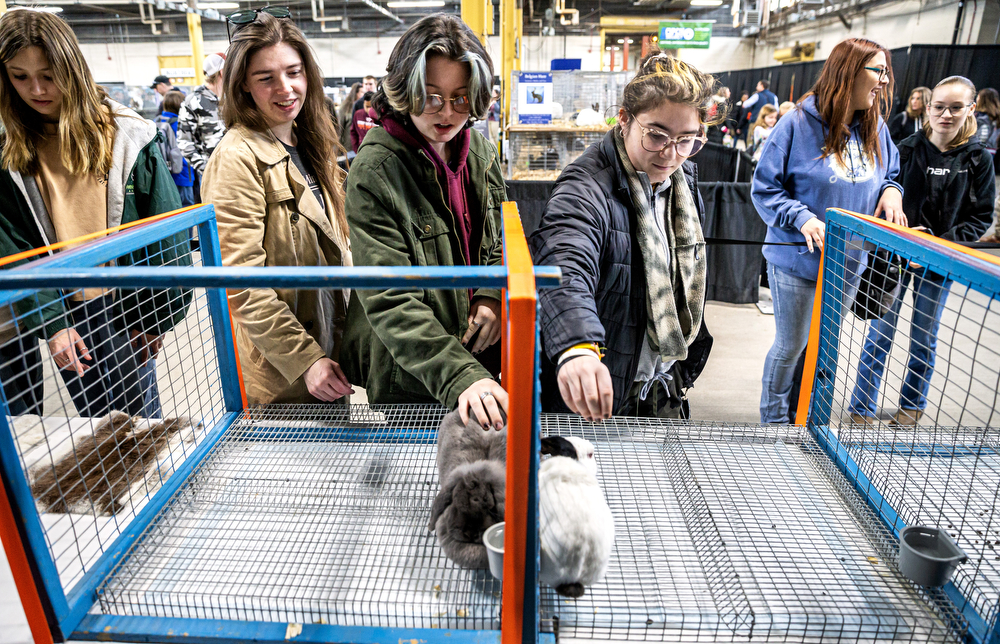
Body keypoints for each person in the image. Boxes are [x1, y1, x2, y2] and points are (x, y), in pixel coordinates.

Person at [0, 8, 191, 418]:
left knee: (140, 425)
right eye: (20, 76)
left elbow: (165, 235)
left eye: (49, 74)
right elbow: (13, 244)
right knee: (96, 434)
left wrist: (156, 316)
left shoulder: (127, 135)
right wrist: (51, 321)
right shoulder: (8, 151)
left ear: (72, 68)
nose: (36, 89)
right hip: (62, 303)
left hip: (125, 305)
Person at [529, 53, 720, 421]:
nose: (670, 153)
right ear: (625, 119)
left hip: (663, 388)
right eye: (656, 135)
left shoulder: (682, 182)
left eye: (687, 140)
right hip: (601, 399)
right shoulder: (585, 187)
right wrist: (577, 346)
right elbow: (564, 265)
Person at [341, 14, 508, 430]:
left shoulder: (479, 153)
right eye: (431, 96)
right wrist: (459, 375)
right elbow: (390, 297)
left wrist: (490, 294)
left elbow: (497, 239)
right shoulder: (376, 171)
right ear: (404, 90)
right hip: (414, 378)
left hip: (480, 360)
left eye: (461, 97)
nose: (447, 113)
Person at [201, 11, 353, 406]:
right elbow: (239, 282)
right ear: (243, 87)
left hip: (328, 349)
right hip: (285, 375)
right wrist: (306, 360)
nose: (285, 88)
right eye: (265, 78)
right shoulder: (236, 159)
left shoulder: (311, 143)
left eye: (294, 72)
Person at [752, 37, 905, 425]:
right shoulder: (796, 124)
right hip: (796, 262)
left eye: (887, 71)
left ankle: (806, 415)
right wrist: (801, 217)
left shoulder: (875, 126)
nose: (885, 81)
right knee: (791, 346)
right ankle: (774, 422)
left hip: (848, 262)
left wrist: (891, 192)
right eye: (879, 71)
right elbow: (765, 188)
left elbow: (890, 172)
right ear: (849, 72)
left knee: (823, 348)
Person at [849, 76, 994, 427]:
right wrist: (900, 235)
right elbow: (884, 194)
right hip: (894, 257)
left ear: (970, 109)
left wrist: (939, 242)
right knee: (880, 331)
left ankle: (912, 404)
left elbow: (981, 217)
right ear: (928, 108)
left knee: (924, 336)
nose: (946, 115)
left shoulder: (978, 159)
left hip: (939, 261)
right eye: (940, 107)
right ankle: (861, 406)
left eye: (956, 108)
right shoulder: (906, 149)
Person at [177, 52, 226, 179]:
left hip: (239, 170)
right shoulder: (193, 102)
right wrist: (206, 170)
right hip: (212, 175)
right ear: (222, 72)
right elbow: (184, 142)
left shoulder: (232, 100)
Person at [156, 90, 196, 206]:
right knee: (187, 205)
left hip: (166, 172)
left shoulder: (158, 120)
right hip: (183, 172)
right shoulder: (179, 124)